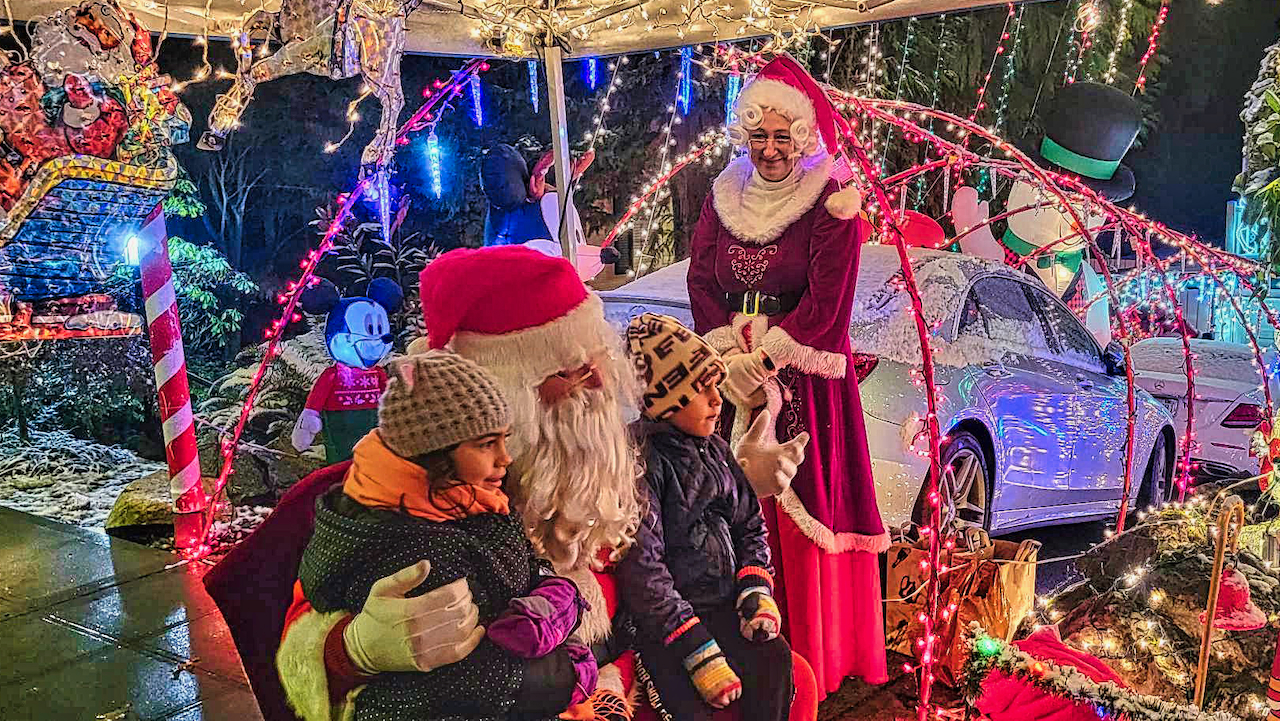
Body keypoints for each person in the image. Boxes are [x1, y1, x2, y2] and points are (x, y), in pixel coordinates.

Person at [276, 246, 815, 721]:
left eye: (597, 361)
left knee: (788, 677)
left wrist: (731, 478)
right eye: (569, 374)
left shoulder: (611, 460)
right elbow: (309, 622)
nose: (599, 384)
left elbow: (660, 541)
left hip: (618, 668)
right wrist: (355, 651)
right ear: (505, 398)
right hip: (505, 694)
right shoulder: (408, 493)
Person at [686, 54, 889, 696]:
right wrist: (725, 354)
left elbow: (829, 304)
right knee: (728, 502)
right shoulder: (723, 194)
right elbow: (700, 277)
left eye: (783, 136)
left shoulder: (833, 198)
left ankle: (812, 652)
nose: (770, 150)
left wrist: (766, 358)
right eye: (759, 136)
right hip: (726, 371)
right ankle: (735, 644)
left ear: (802, 136)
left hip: (800, 375)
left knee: (798, 501)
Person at [294, 350, 598, 720]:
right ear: (433, 453)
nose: (505, 457)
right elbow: (469, 678)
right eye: (486, 443)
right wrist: (567, 673)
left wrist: (552, 591)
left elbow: (520, 566)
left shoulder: (463, 500)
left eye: (505, 439)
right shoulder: (416, 550)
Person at [617, 313, 793, 720]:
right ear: (665, 399)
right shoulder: (640, 461)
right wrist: (695, 648)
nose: (717, 399)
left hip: (724, 604)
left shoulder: (714, 447)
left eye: (716, 385)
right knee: (691, 706)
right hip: (665, 627)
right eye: (701, 389)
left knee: (775, 660)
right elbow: (644, 570)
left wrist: (755, 591)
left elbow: (750, 522)